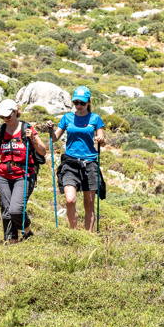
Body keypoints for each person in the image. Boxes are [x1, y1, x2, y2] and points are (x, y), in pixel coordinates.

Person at [0, 98, 47, 243]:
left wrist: (33, 140)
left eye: (8, 116)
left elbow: (43, 151)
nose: (5, 119)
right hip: (3, 175)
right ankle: (12, 242)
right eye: (2, 116)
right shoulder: (0, 131)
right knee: (6, 210)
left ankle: (26, 229)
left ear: (15, 112)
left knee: (15, 210)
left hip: (23, 175)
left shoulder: (27, 129)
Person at [46, 86, 105, 232]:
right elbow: (54, 139)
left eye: (82, 103)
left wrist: (100, 139)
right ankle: (74, 234)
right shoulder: (67, 118)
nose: (79, 106)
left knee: (89, 205)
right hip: (70, 163)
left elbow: (102, 139)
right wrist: (51, 130)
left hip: (90, 163)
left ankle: (88, 236)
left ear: (88, 102)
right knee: (70, 200)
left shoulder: (95, 118)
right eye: (76, 102)